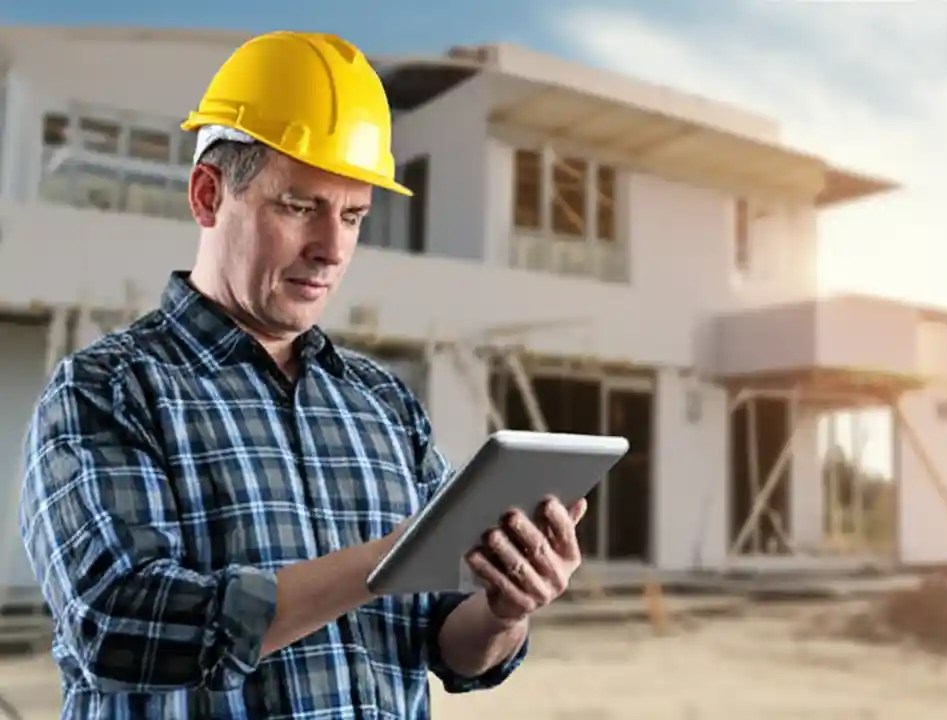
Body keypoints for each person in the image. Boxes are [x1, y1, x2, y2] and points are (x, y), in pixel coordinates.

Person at [19, 30, 585, 718]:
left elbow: (447, 643)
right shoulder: (108, 391)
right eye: (299, 207)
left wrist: (504, 608)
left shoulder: (383, 405)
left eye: (353, 215)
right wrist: (391, 560)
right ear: (207, 195)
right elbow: (114, 625)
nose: (331, 249)